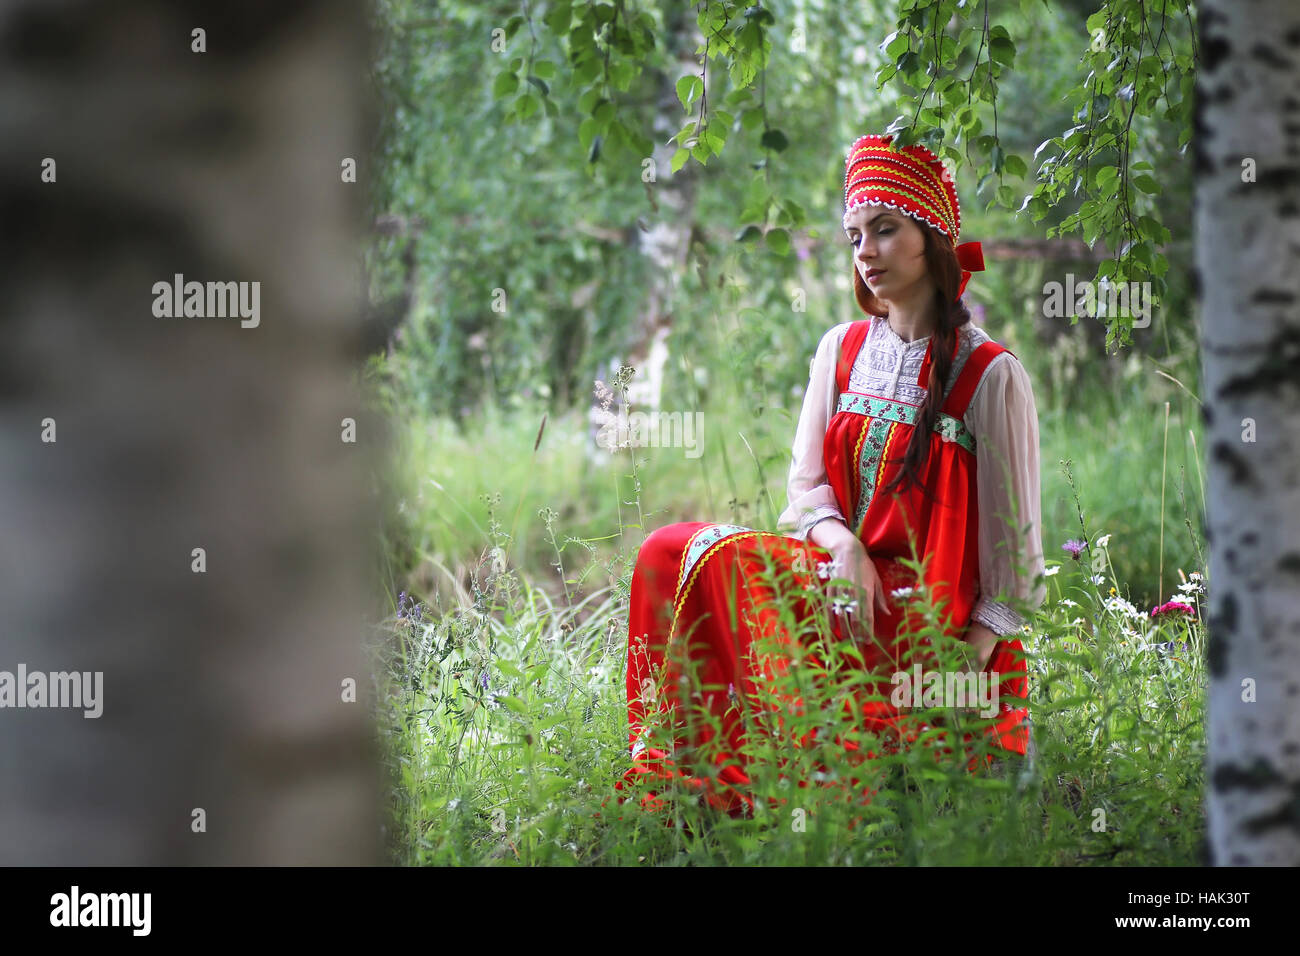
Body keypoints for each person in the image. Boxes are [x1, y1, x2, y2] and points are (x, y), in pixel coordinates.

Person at [613, 133, 1046, 819]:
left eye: (883, 229)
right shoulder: (838, 351)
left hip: (928, 629)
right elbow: (807, 490)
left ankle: (833, 772)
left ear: (930, 237)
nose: (865, 252)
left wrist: (975, 652)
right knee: (671, 549)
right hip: (837, 584)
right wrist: (842, 545)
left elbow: (1016, 548)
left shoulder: (990, 374)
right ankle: (682, 772)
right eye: (853, 237)